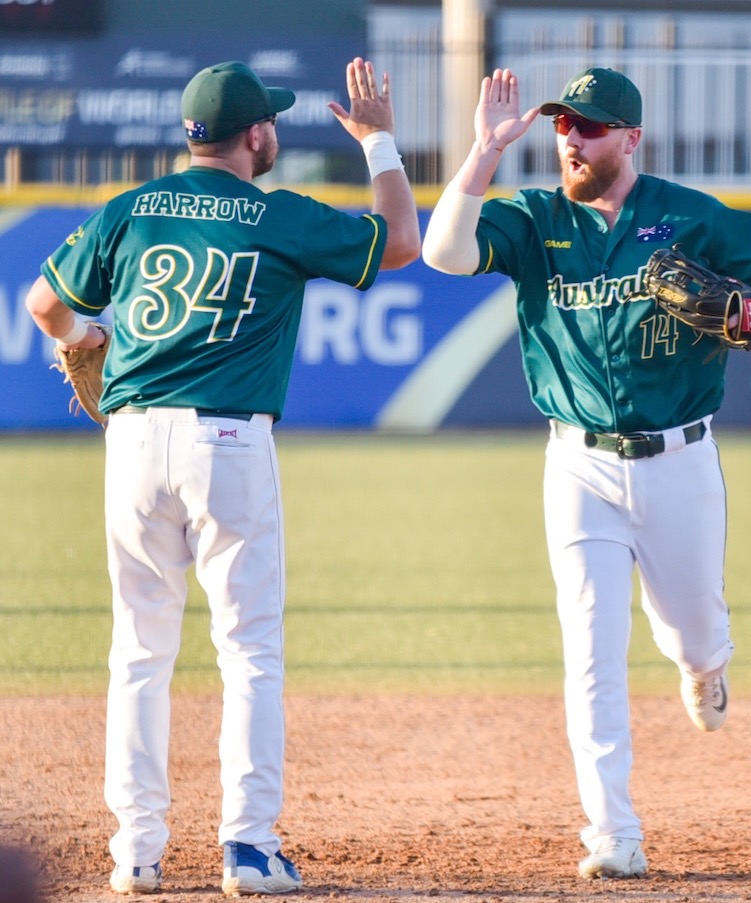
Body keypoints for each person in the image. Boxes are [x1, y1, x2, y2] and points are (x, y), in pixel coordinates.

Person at [25, 59, 420, 893]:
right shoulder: (277, 214)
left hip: (134, 442)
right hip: (229, 441)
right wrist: (379, 140)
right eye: (269, 121)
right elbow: (401, 241)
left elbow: (44, 306)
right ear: (255, 134)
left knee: (140, 651)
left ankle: (136, 851)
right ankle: (248, 846)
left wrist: (88, 338)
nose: (273, 130)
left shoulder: (132, 209)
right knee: (248, 651)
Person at [422, 66, 751, 878]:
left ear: (631, 138)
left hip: (680, 460)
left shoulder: (687, 216)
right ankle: (612, 831)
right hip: (579, 465)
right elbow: (443, 251)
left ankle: (704, 666)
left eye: (591, 127)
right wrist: (484, 151)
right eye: (564, 124)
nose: (572, 138)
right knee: (592, 648)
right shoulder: (535, 219)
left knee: (693, 631)